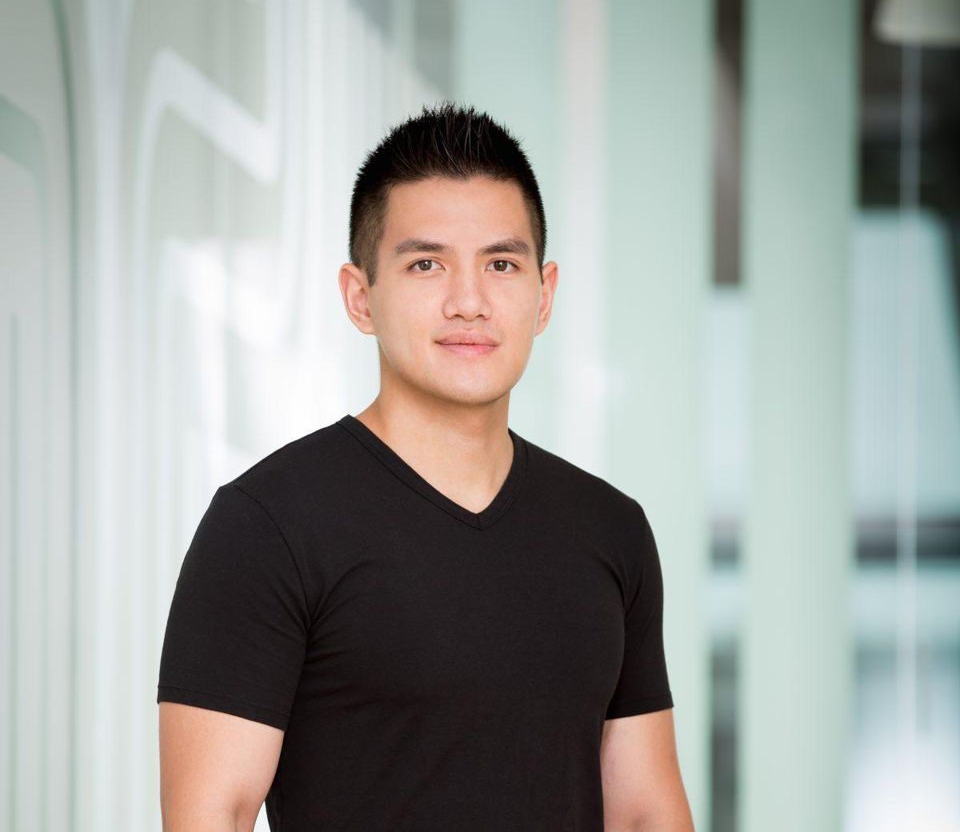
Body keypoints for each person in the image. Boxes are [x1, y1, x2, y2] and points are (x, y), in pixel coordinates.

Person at [157, 101, 694, 831]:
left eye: (501, 264)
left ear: (544, 296)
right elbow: (208, 814)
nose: (469, 302)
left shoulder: (610, 529)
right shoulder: (268, 525)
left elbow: (644, 814)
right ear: (360, 298)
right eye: (426, 264)